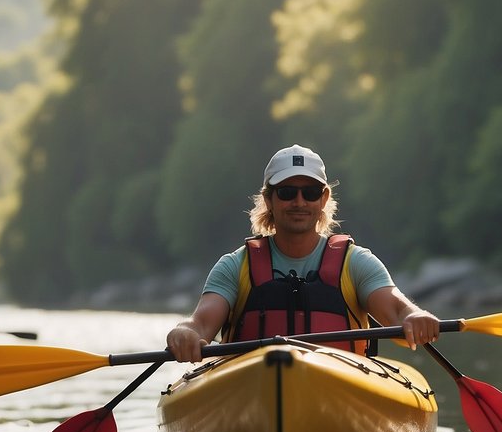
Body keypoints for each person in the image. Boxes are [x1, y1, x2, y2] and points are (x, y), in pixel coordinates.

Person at [166, 144, 440, 362]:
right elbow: (200, 324)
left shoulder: (356, 263)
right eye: (287, 192)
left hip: (341, 388)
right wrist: (185, 332)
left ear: (323, 199)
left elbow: (397, 312)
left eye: (309, 192)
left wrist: (413, 317)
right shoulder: (234, 267)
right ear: (268, 199)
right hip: (250, 388)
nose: (299, 202)